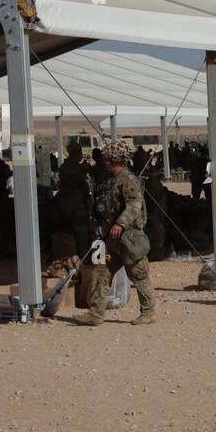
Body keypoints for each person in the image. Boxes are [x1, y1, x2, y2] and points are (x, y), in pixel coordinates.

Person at [76, 138, 155, 325]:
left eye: (106, 159)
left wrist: (120, 224)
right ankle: (95, 313)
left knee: (139, 275)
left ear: (113, 160)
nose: (104, 162)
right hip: (112, 240)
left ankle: (148, 312)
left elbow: (134, 205)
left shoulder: (128, 180)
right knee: (101, 273)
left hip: (129, 238)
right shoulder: (109, 180)